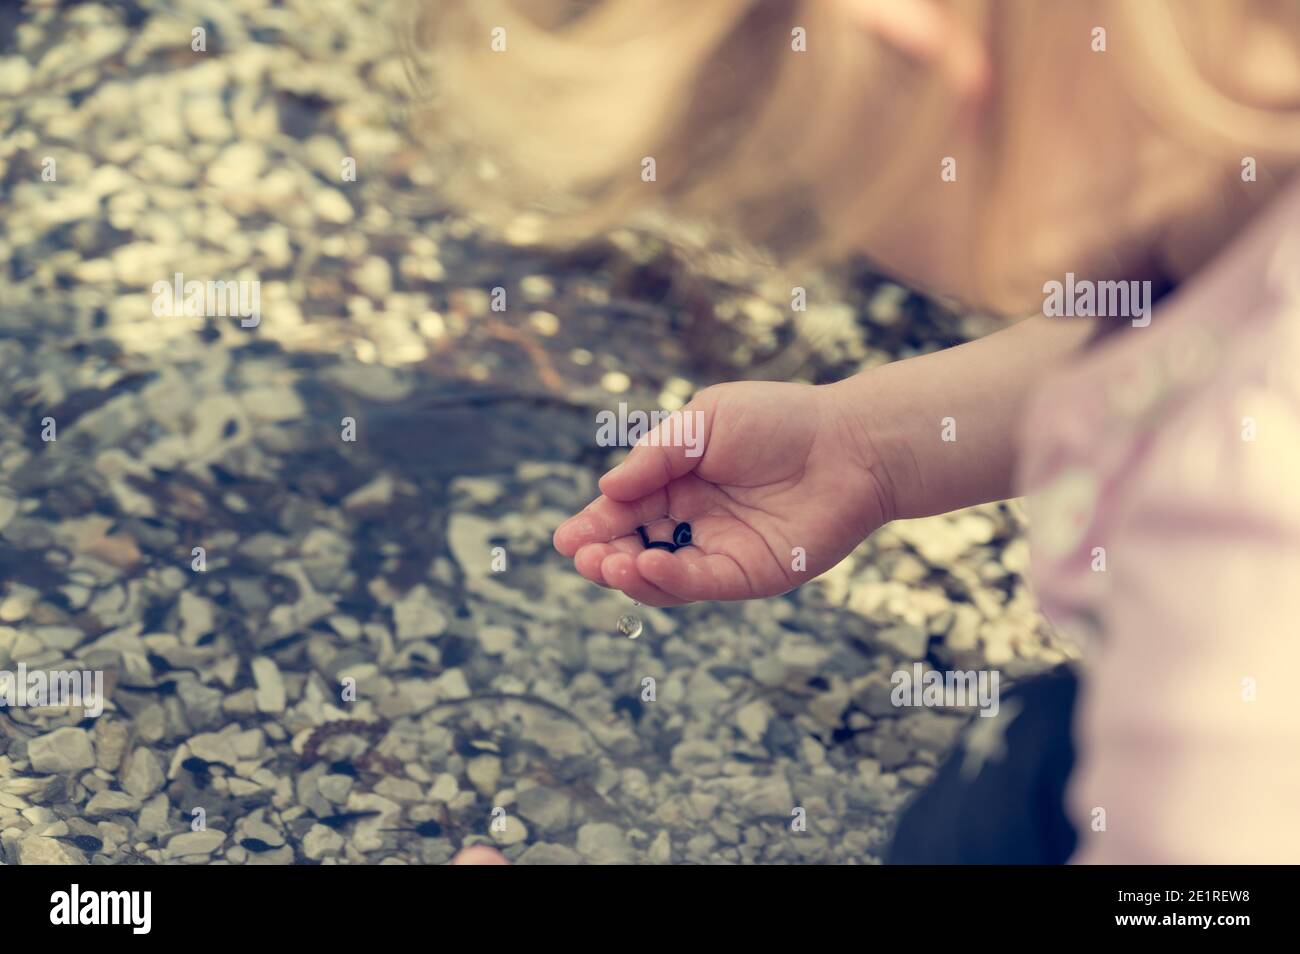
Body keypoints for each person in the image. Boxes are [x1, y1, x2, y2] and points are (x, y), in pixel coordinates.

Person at [421, 0, 1300, 863]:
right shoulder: (1252, 211)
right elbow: (1183, 344)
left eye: (808, 193)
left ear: (915, 49)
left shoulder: (1240, 527)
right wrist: (870, 442)